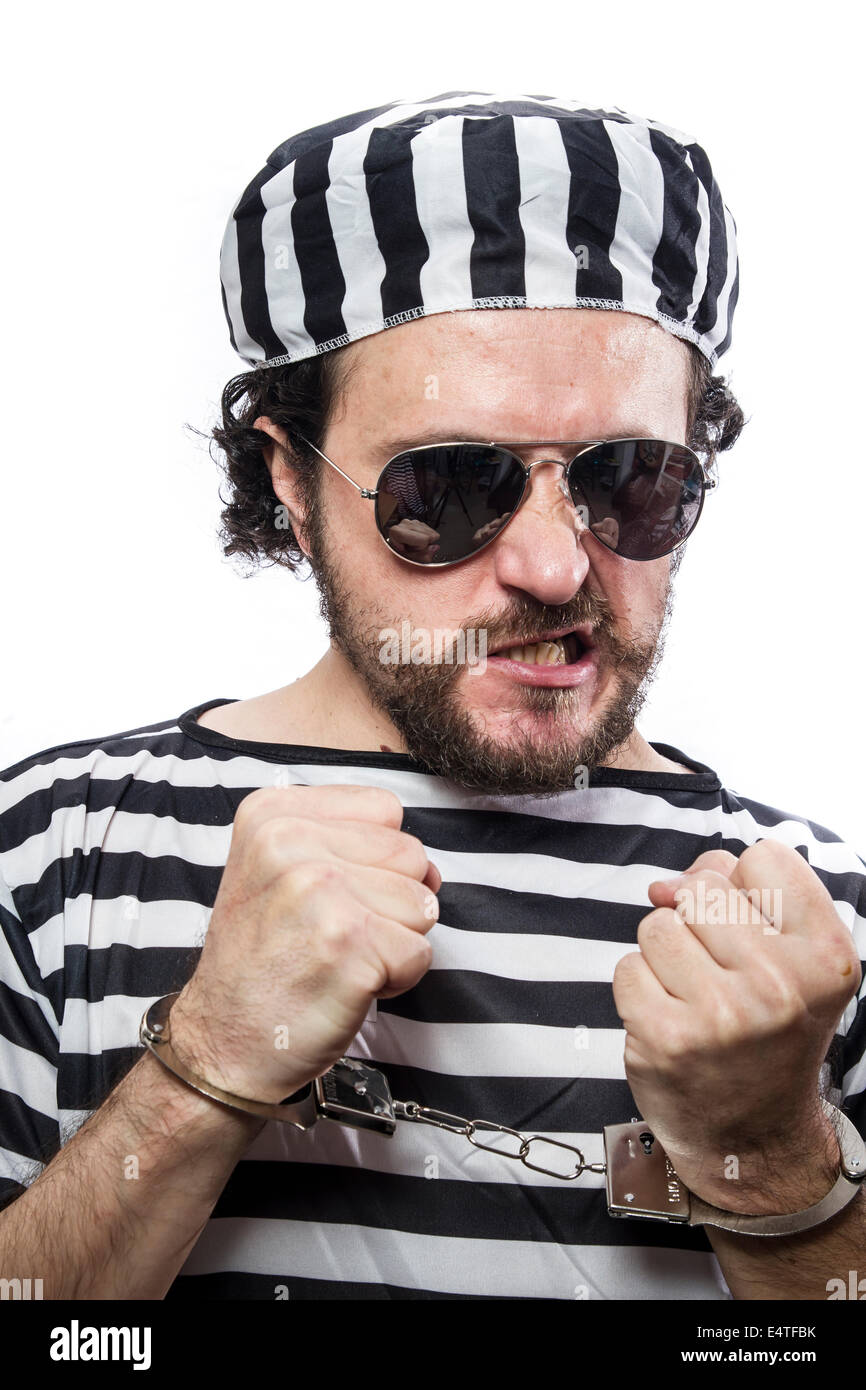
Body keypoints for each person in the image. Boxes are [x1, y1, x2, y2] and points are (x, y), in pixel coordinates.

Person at [0, 93, 863, 1302]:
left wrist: (771, 1159)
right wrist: (200, 1067)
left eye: (630, 478)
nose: (555, 566)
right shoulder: (51, 861)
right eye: (451, 484)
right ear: (290, 481)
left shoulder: (819, 940)